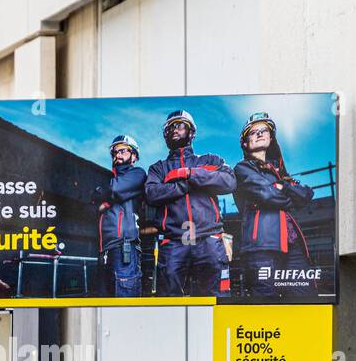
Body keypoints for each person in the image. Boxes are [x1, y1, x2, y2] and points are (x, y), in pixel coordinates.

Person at [144, 109, 235, 296]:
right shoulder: (158, 168)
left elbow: (230, 182)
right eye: (169, 128)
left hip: (209, 237)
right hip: (174, 240)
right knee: (168, 300)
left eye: (179, 125)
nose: (173, 130)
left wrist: (191, 173)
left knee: (216, 299)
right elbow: (151, 194)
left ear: (191, 132)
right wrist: (184, 186)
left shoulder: (209, 160)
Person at [231, 112, 316, 301]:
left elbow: (307, 194)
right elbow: (268, 195)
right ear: (245, 143)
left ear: (271, 137)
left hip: (291, 246)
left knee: (305, 300)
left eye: (264, 130)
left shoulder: (280, 174)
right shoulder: (242, 169)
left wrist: (282, 185)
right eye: (253, 132)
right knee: (265, 304)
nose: (260, 134)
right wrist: (289, 193)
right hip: (261, 247)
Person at [95, 134, 147, 296]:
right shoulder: (111, 179)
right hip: (105, 249)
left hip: (125, 248)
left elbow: (113, 190)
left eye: (123, 151)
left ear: (134, 156)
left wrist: (103, 195)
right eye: (115, 152)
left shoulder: (137, 174)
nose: (117, 155)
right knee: (103, 303)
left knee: (124, 301)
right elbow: (98, 198)